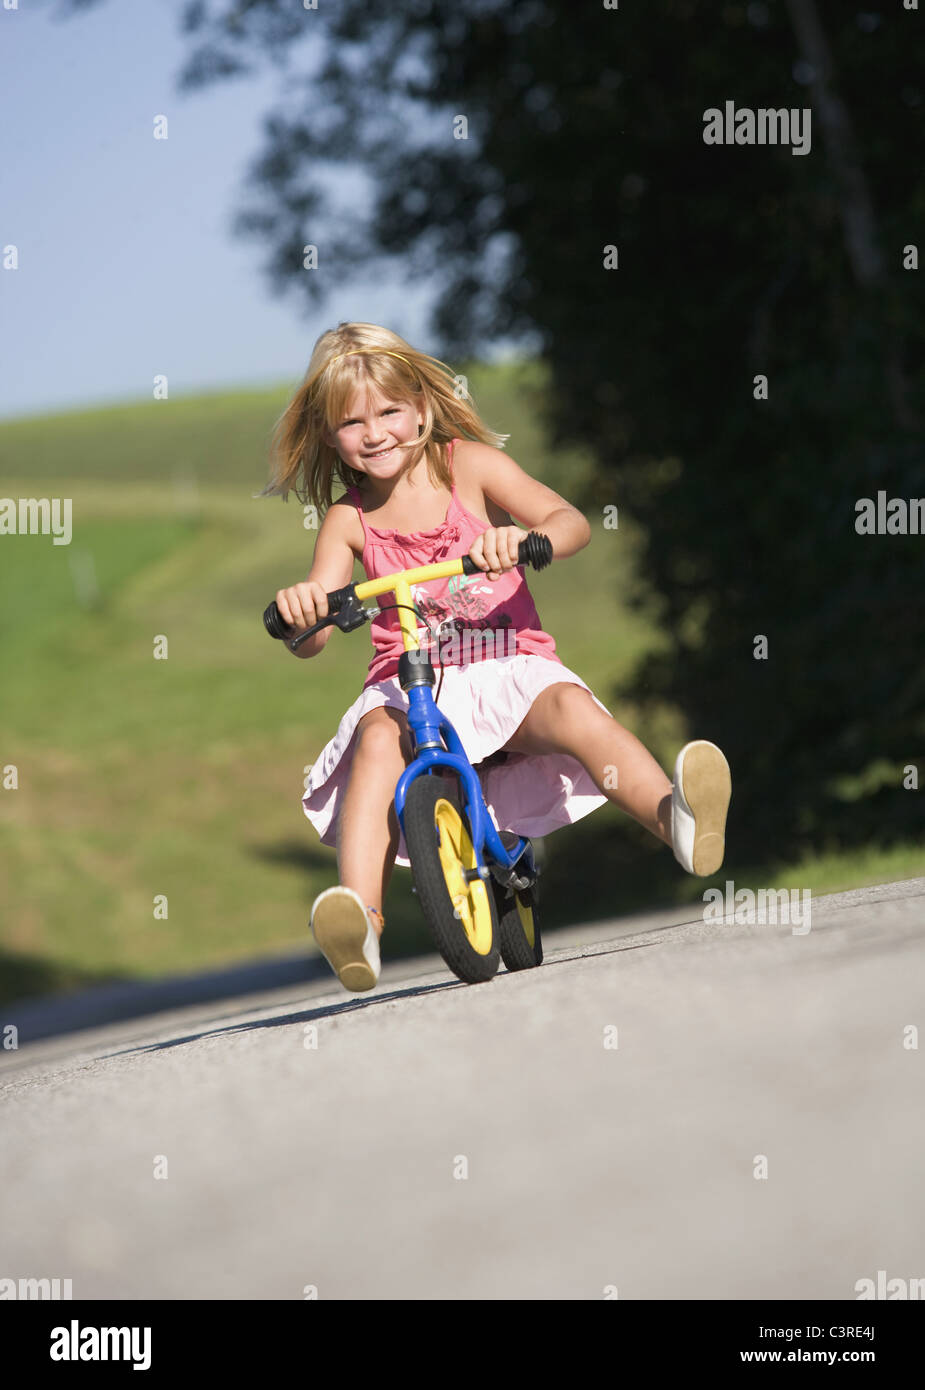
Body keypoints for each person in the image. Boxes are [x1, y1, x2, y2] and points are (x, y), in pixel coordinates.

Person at [263, 322, 731, 992]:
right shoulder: (347, 521)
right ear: (330, 435)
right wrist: (305, 608)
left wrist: (520, 540)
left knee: (571, 710)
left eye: (389, 411)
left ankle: (675, 820)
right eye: (350, 422)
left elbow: (568, 522)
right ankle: (359, 925)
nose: (374, 433)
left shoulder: (471, 467)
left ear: (421, 409)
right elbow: (312, 640)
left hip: (505, 662)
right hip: (413, 686)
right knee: (373, 739)